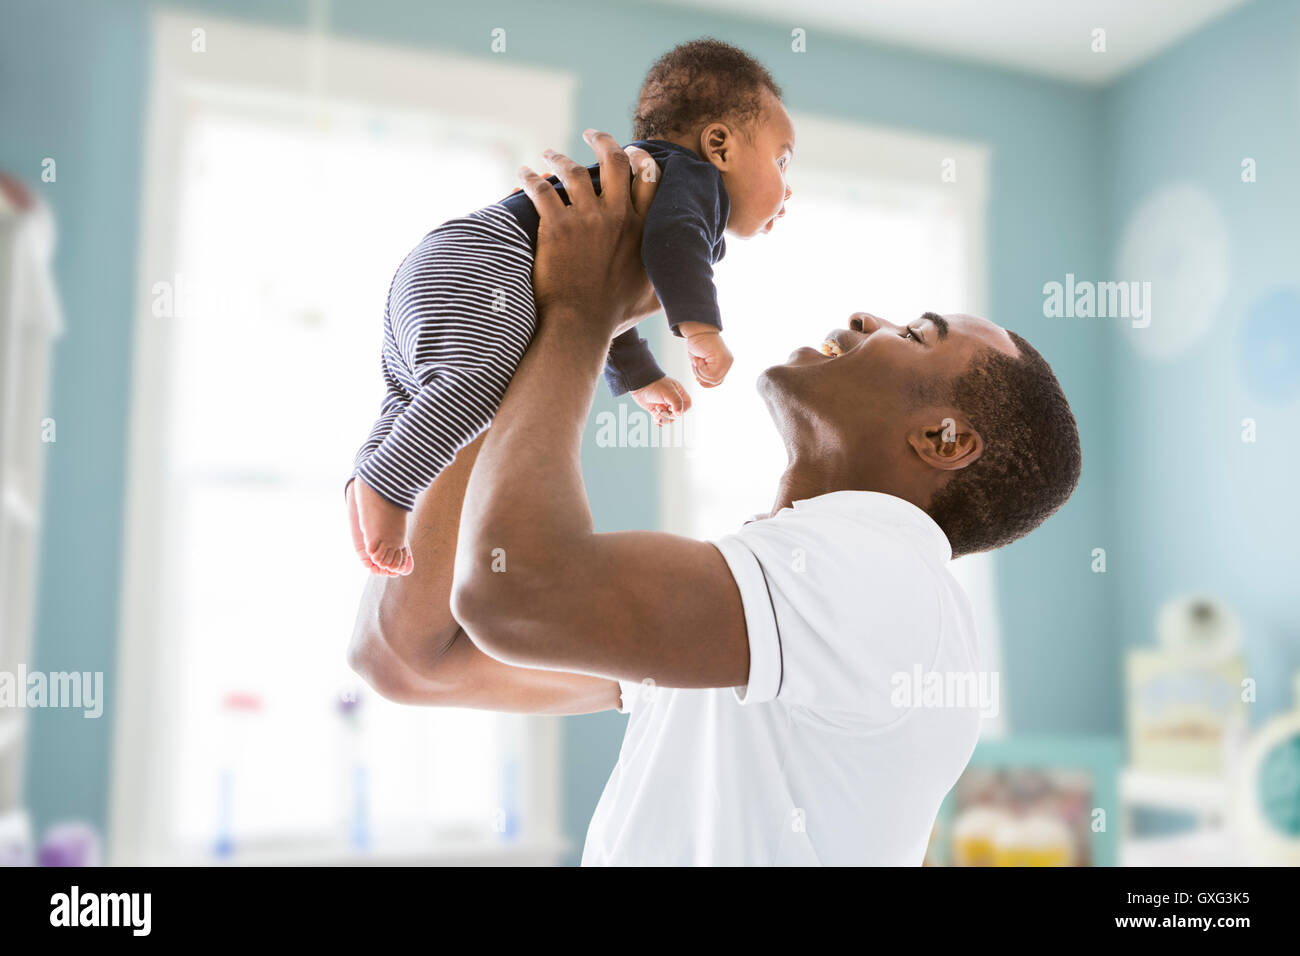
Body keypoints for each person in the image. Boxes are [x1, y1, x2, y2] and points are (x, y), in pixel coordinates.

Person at [346, 131, 1083, 865]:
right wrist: (499, 336)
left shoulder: (880, 581)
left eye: (917, 336)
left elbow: (517, 591)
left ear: (944, 441)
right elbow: (407, 659)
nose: (868, 318)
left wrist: (580, 309)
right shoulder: (773, 615)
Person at [347, 39, 794, 575]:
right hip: (491, 257)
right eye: (782, 161)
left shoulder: (648, 180)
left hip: (448, 258)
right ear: (718, 146)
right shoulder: (694, 182)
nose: (788, 189)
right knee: (477, 387)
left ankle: (365, 476)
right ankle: (388, 488)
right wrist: (702, 331)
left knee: (409, 391)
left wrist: (641, 376)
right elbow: (675, 244)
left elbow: (605, 288)